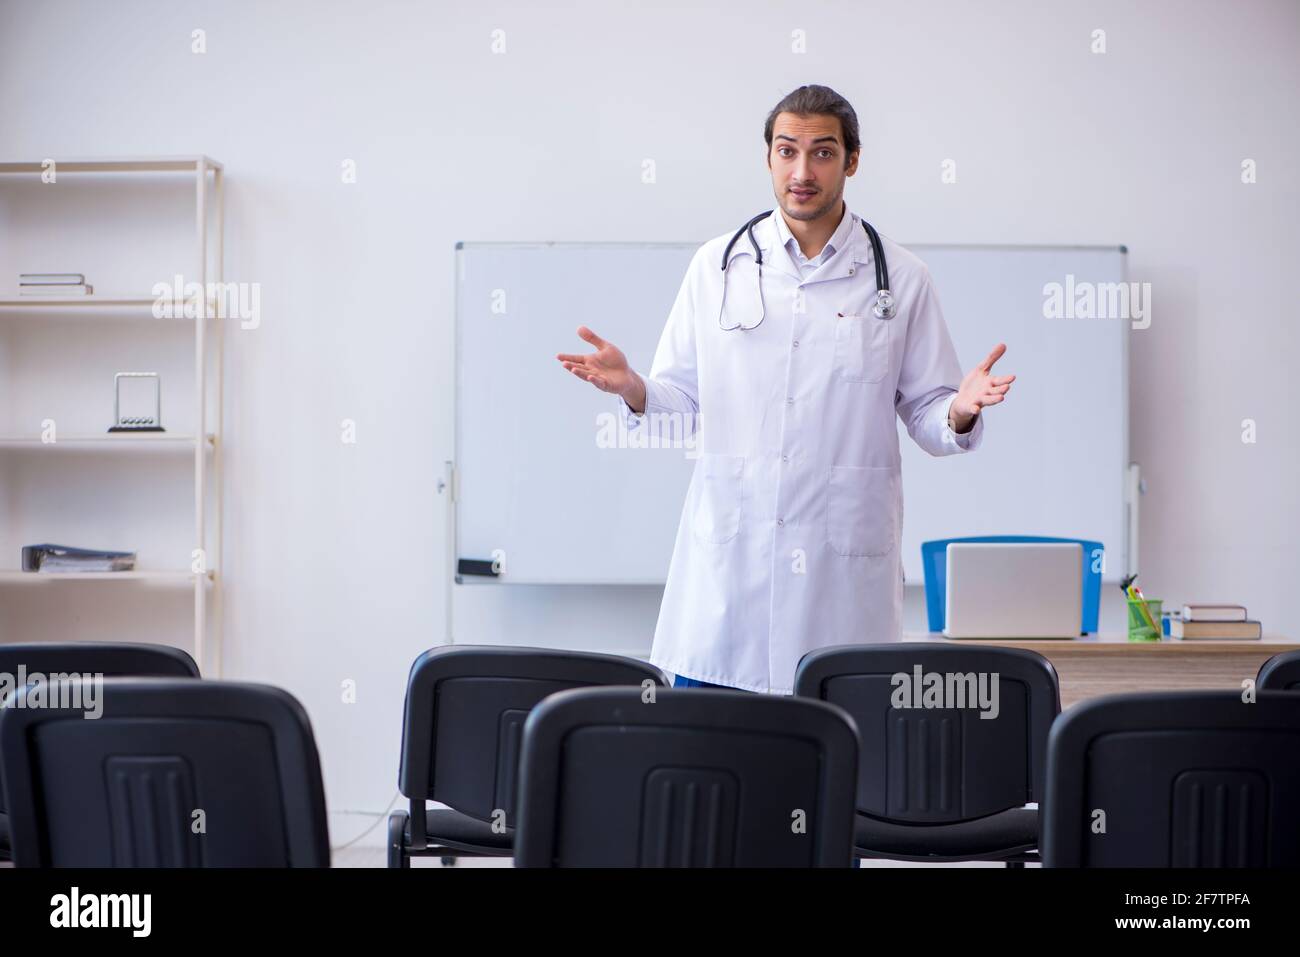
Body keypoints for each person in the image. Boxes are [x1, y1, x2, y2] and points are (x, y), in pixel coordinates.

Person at [556, 85, 1014, 693]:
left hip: (841, 590)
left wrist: (957, 409)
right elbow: (681, 406)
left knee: (843, 777)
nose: (802, 171)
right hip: (726, 589)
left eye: (823, 153)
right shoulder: (715, 267)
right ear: (768, 158)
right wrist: (635, 389)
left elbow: (930, 418)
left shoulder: (901, 278)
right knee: (714, 775)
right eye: (786, 151)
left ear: (852, 160)